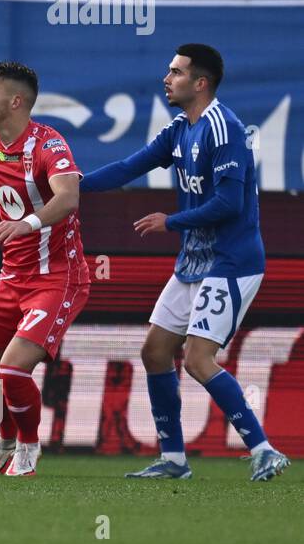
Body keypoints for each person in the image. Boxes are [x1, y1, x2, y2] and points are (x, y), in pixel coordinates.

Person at [79, 44, 290, 481]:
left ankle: (265, 450)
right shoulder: (180, 128)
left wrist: (170, 221)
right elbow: (129, 166)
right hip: (194, 262)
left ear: (200, 82)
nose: (166, 78)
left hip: (232, 261)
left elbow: (230, 204)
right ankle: (174, 461)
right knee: (155, 351)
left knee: (197, 359)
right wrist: (73, 186)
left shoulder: (224, 128)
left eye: (175, 72)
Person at [0, 61, 91, 477]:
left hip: (58, 277)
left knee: (12, 366)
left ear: (15, 100)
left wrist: (23, 225)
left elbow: (69, 199)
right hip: (12, 276)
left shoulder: (50, 145)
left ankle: (28, 445)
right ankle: (6, 438)